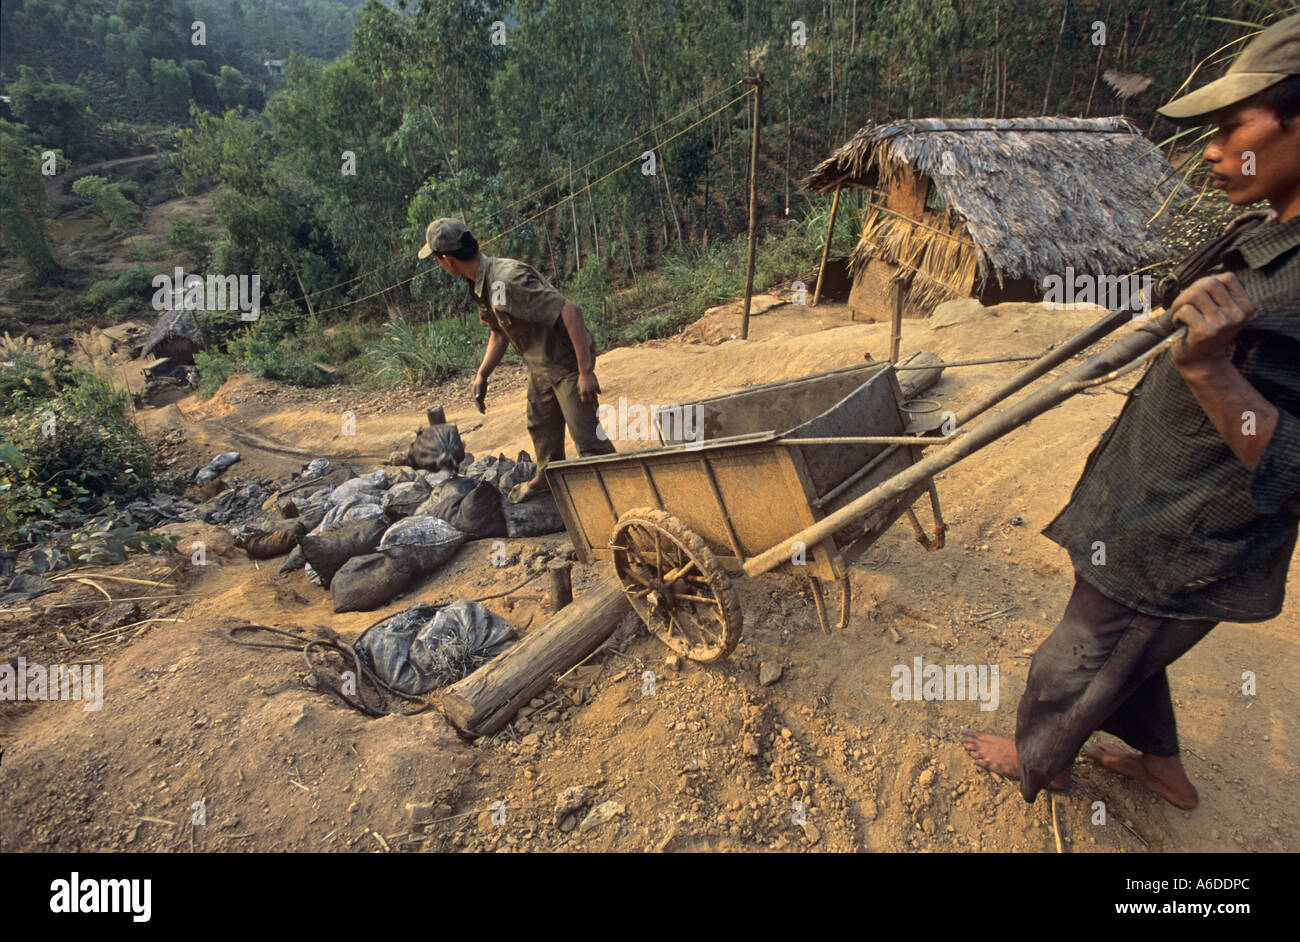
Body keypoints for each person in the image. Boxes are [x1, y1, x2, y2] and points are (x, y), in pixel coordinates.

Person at [962, 13, 1300, 809]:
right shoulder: (1270, 233)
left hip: (1188, 533)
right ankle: (1161, 767)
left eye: (1230, 128)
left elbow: (1293, 466)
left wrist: (1212, 370)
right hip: (1147, 507)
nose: (1210, 151)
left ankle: (1036, 759)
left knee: (1070, 663)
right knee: (1129, 647)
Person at [418, 218, 616, 501]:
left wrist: (585, 372)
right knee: (541, 425)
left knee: (587, 438)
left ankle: (618, 492)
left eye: (436, 260)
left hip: (565, 362)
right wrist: (482, 374)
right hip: (541, 365)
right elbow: (498, 332)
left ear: (446, 259)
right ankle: (548, 477)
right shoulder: (479, 284)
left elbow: (571, 312)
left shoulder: (508, 279)